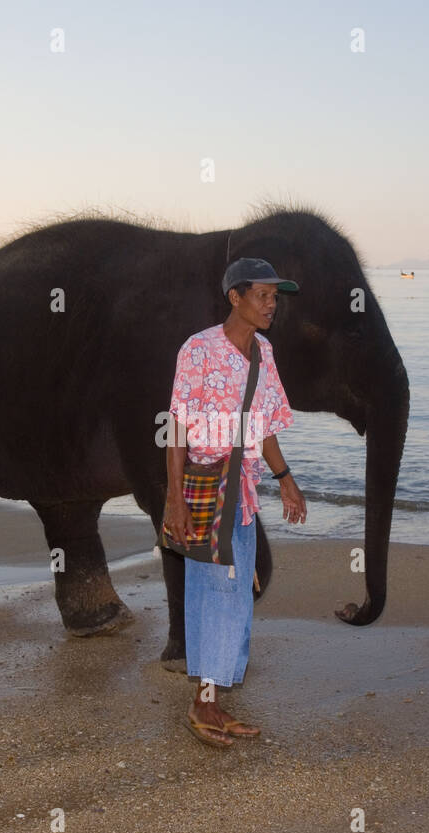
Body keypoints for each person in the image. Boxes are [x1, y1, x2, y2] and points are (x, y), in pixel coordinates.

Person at [164, 258, 308, 747]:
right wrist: (174, 500)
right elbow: (177, 427)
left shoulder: (264, 352)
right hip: (207, 490)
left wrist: (285, 478)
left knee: (233, 598)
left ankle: (210, 701)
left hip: (243, 492)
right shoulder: (199, 349)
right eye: (263, 295)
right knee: (217, 594)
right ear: (235, 297)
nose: (272, 304)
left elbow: (262, 424)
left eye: (275, 297)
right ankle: (204, 705)